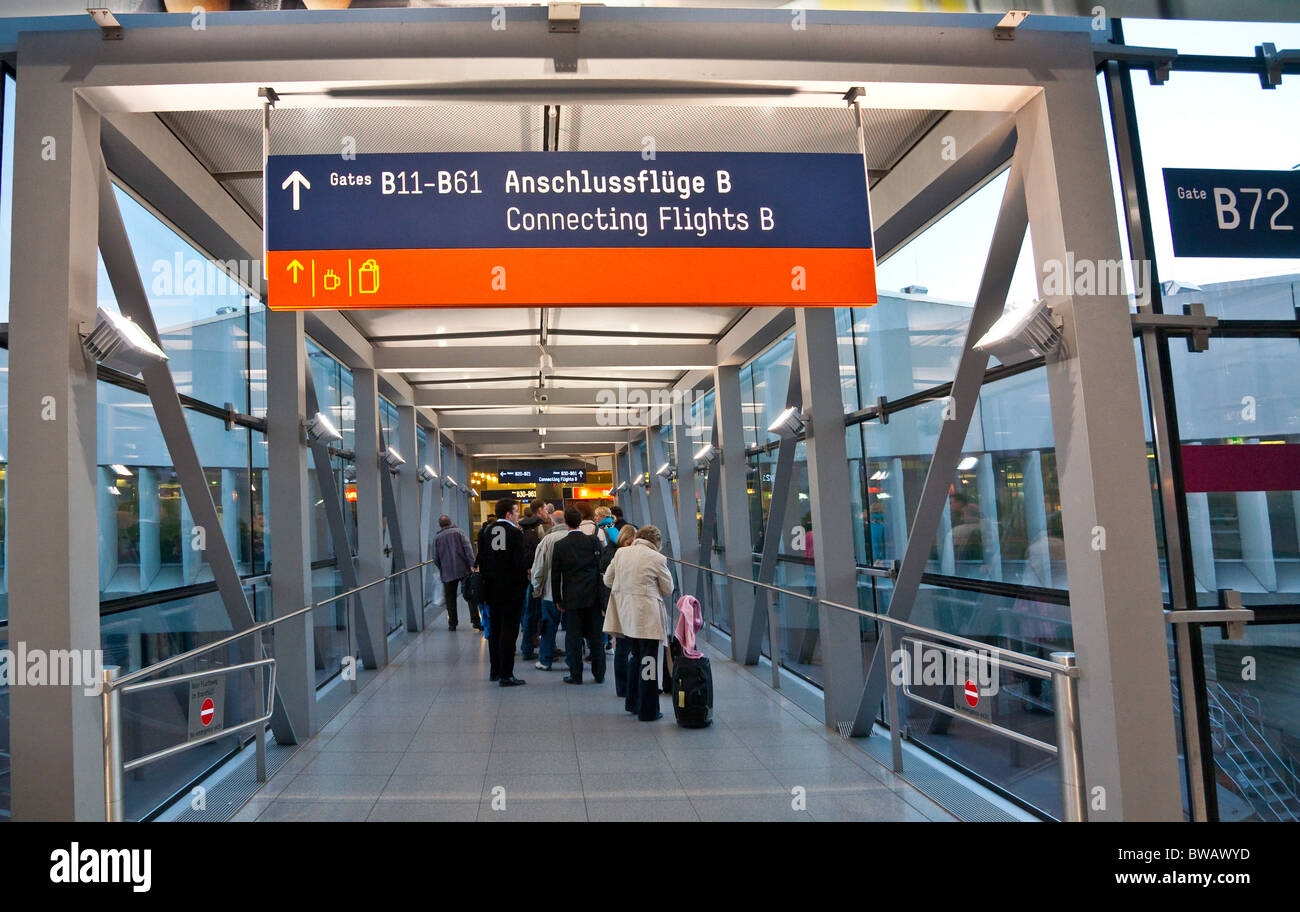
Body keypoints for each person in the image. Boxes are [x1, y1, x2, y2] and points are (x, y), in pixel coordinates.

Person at [603, 525, 673, 721]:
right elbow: (668, 589)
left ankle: (632, 702)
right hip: (647, 618)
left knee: (634, 658)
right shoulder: (657, 558)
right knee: (648, 661)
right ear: (656, 542)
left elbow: (608, 580)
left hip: (626, 616)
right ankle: (648, 710)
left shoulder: (621, 553)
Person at [551, 508, 607, 685]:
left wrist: (557, 599)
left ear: (566, 523)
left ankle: (576, 674)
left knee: (573, 637)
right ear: (581, 520)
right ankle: (599, 674)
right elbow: (602, 566)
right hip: (593, 596)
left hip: (572, 597)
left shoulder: (560, 545)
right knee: (596, 636)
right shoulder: (592, 541)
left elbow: (556, 575)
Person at [477, 498, 529, 687]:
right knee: (509, 632)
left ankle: (495, 670)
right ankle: (507, 674)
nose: (518, 515)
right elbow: (519, 563)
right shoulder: (515, 533)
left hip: (491, 589)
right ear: (508, 514)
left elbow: (481, 559)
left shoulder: (486, 531)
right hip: (511, 590)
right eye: (516, 512)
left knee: (495, 630)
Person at [528, 509, 570, 671]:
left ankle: (545, 660)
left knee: (548, 626)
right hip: (572, 593)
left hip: (550, 592)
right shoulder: (576, 537)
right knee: (572, 628)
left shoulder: (547, 540)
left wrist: (537, 588)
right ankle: (573, 661)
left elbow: (537, 569)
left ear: (553, 522)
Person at [606, 524, 637, 697]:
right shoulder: (622, 555)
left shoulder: (617, 554)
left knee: (623, 648)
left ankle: (623, 687)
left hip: (621, 604)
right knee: (628, 648)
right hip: (632, 606)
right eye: (628, 543)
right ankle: (629, 686)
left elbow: (607, 579)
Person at [432, 514, 477, 631]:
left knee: (450, 599)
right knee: (470, 595)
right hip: (464, 570)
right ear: (450, 522)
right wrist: (472, 565)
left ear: (440, 525)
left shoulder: (437, 538)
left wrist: (441, 567)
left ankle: (452, 623)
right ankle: (476, 621)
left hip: (447, 573)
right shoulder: (459, 532)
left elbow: (435, 557)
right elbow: (468, 549)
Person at [518, 504, 546, 661]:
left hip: (523, 580)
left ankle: (527, 647)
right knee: (533, 613)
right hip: (533, 580)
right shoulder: (534, 538)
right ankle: (528, 648)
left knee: (527, 614)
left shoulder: (520, 536)